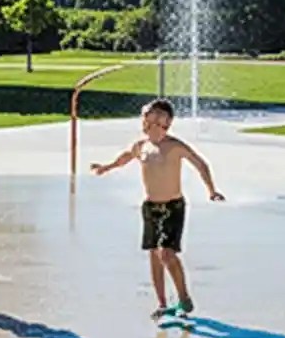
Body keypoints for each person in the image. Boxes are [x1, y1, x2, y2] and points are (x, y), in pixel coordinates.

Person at [90, 99, 224, 321]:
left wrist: (211, 190)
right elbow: (126, 157)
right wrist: (108, 167)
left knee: (167, 254)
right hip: (150, 207)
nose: (144, 120)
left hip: (173, 207)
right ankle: (162, 303)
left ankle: (183, 298)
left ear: (164, 122)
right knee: (154, 255)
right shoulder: (141, 146)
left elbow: (201, 164)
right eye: (144, 117)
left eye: (149, 116)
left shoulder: (174, 146)